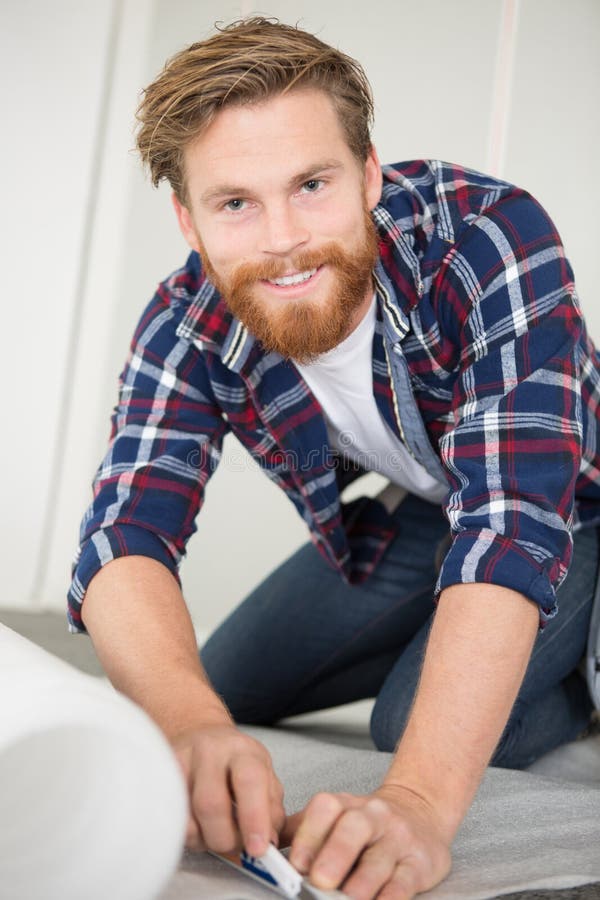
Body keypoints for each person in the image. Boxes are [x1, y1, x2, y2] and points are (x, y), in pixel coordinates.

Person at [68, 16, 600, 900]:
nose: (283, 238)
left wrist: (420, 802)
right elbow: (122, 538)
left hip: (571, 510)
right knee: (213, 689)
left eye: (311, 184)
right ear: (189, 220)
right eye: (235, 202)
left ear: (368, 174)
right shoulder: (183, 322)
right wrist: (192, 725)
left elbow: (509, 525)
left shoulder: (489, 237)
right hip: (425, 511)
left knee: (409, 727)